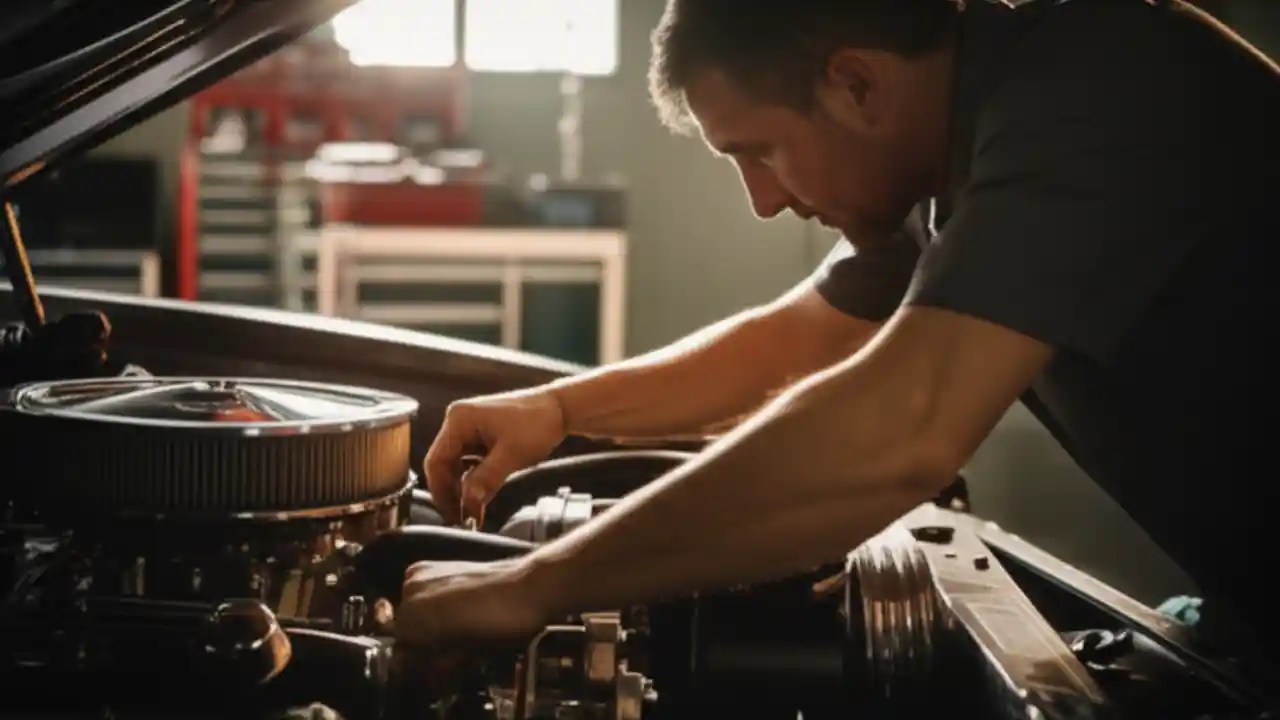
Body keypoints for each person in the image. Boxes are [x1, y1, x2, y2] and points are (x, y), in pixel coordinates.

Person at [398, 0, 1279, 656]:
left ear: (857, 84)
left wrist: (533, 586)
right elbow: (799, 336)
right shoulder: (958, 156)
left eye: (760, 151)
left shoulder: (1098, 90)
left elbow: (899, 433)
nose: (766, 198)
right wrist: (558, 408)